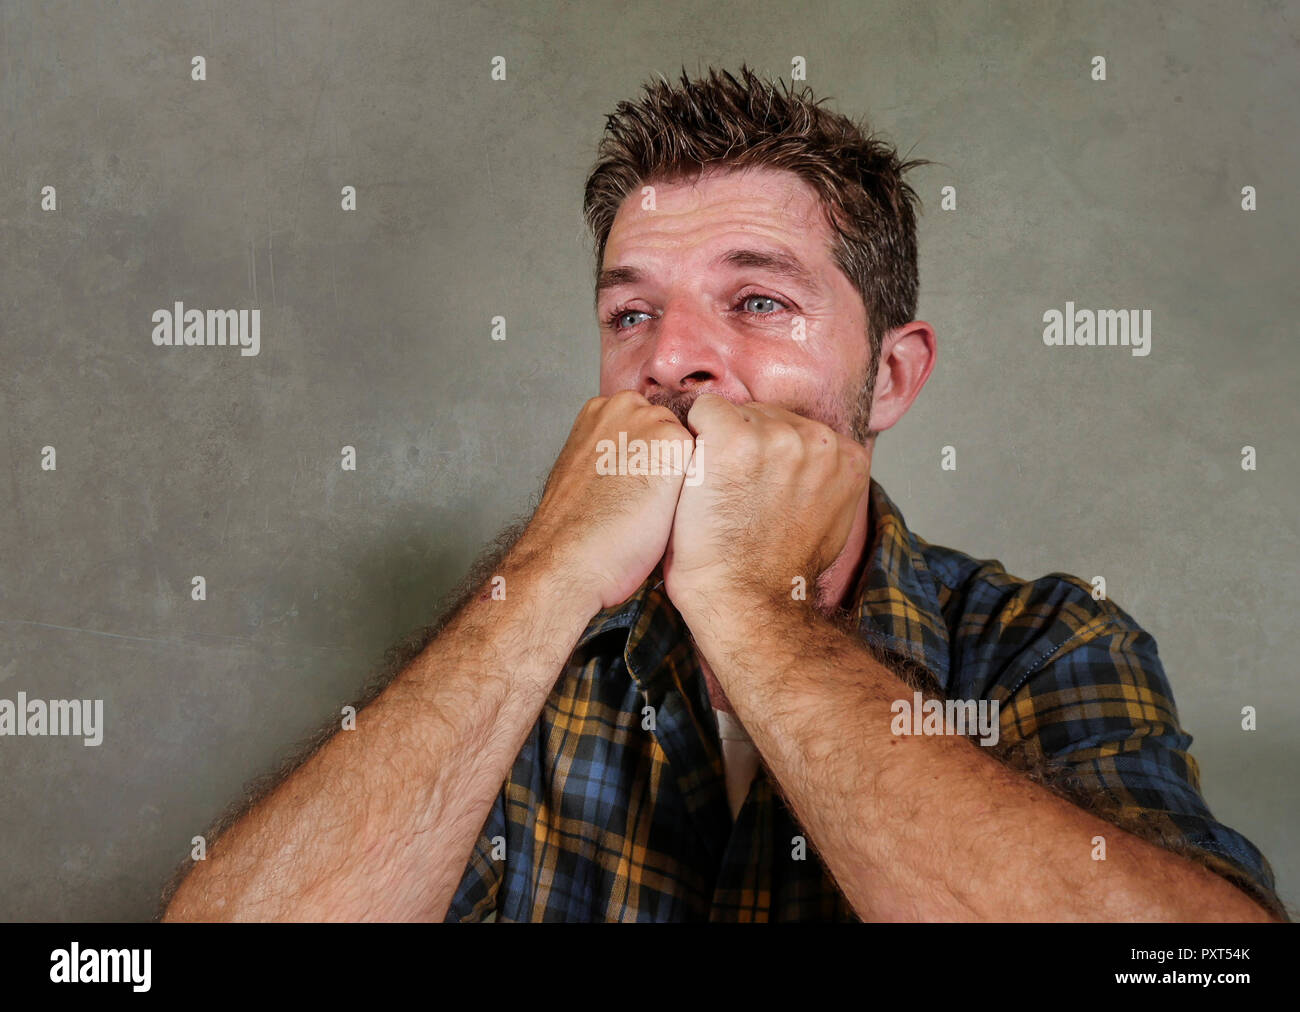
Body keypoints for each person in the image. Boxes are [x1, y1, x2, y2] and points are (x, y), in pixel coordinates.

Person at [160, 65, 1285, 923]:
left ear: (888, 376)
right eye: (629, 313)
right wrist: (543, 575)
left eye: (755, 303)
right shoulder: (520, 652)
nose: (671, 361)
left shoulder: (1042, 645)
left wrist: (751, 608)